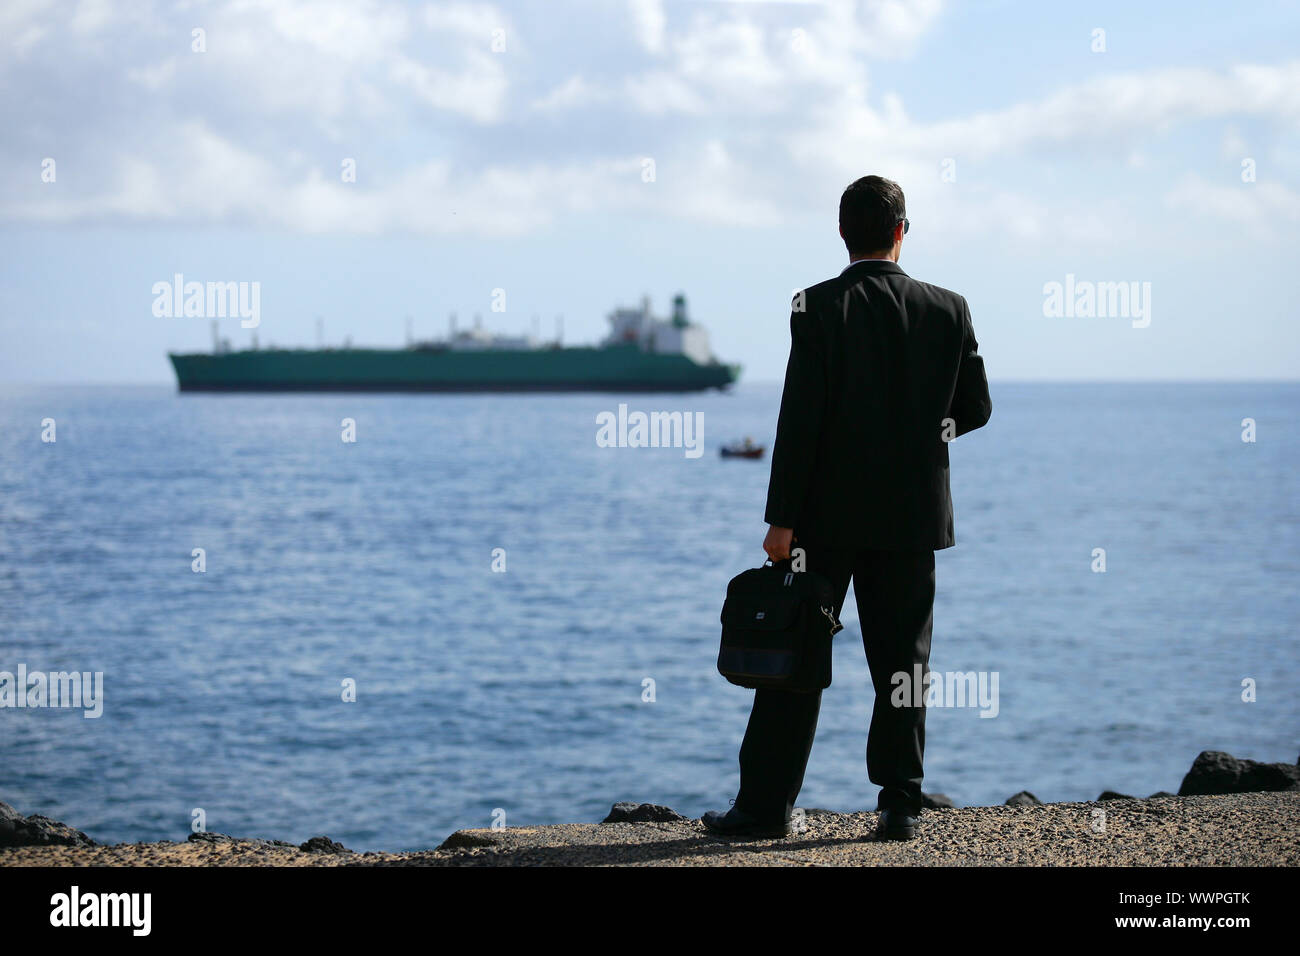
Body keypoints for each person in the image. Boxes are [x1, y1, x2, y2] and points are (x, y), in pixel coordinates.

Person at [703, 175, 992, 841]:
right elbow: (974, 408)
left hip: (824, 518)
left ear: (842, 232)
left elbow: (800, 417)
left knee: (795, 652)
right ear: (901, 231)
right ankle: (899, 805)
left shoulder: (816, 305)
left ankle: (765, 808)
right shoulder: (950, 308)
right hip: (913, 518)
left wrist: (781, 519)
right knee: (903, 664)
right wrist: (922, 432)